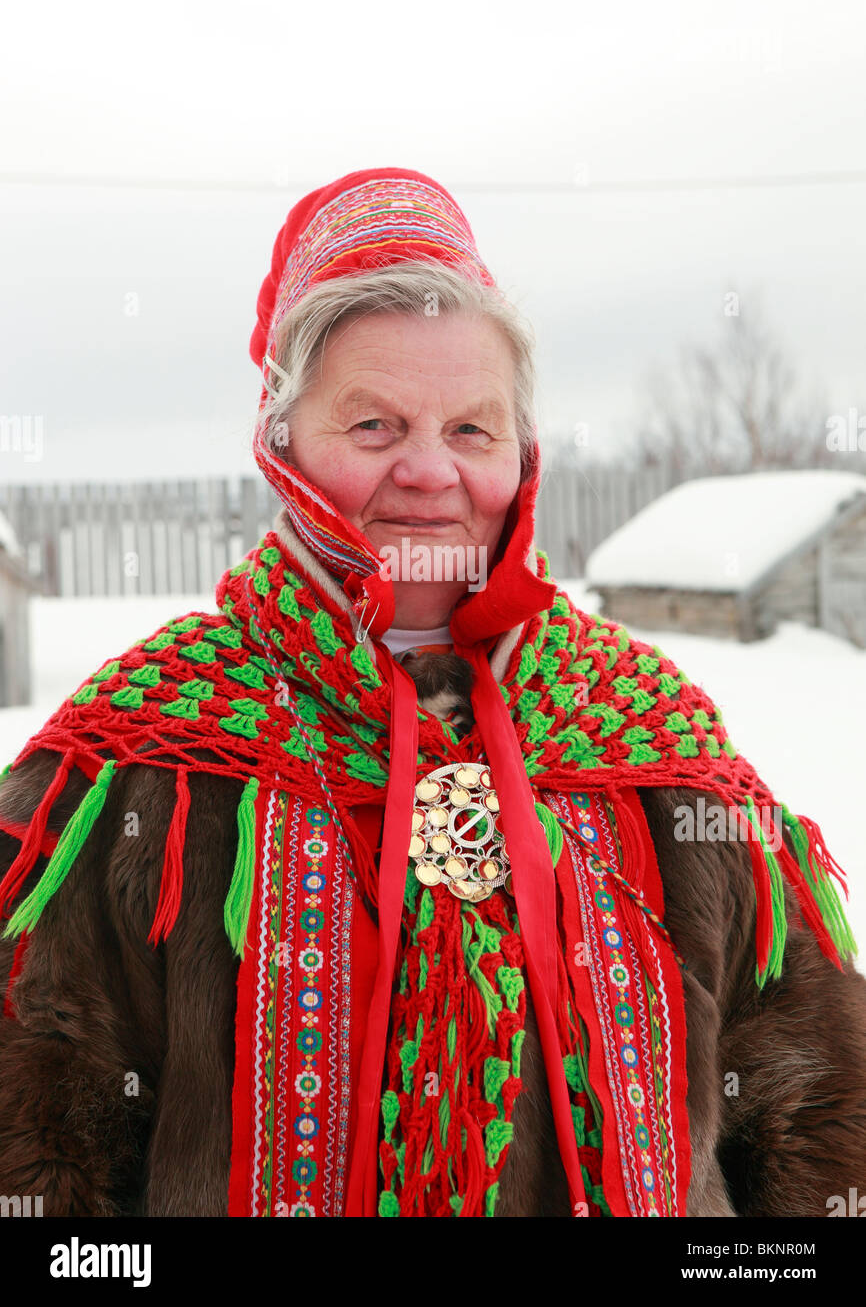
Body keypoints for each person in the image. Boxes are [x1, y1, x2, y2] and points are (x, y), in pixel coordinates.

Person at [0, 166, 864, 1219]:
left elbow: (816, 1116)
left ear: (519, 453)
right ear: (282, 447)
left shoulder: (646, 733)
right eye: (373, 427)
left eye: (470, 429)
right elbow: (39, 1143)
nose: (426, 470)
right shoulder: (146, 750)